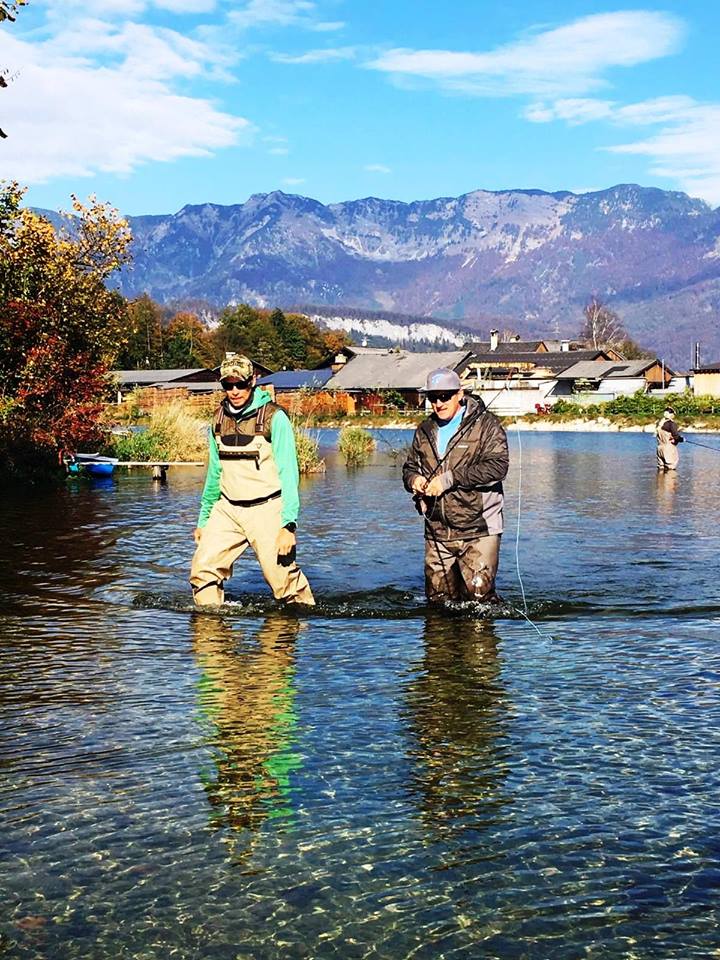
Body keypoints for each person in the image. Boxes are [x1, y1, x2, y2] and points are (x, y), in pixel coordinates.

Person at [190, 353, 315, 606]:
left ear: (253, 381)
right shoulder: (217, 420)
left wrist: (288, 525)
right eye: (228, 385)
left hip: (267, 508)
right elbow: (214, 474)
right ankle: (211, 637)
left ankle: (300, 629)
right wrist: (203, 520)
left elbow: (289, 474)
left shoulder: (275, 418)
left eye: (241, 384)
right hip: (227, 509)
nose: (235, 390)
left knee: (284, 583)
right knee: (202, 570)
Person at [402, 368, 509, 604]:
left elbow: (498, 467)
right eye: (433, 397)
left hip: (479, 528)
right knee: (438, 602)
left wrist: (449, 479)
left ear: (459, 394)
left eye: (445, 396)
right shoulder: (424, 429)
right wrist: (414, 482)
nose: (438, 403)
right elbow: (410, 467)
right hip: (437, 530)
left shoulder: (486, 425)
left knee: (478, 600)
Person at [656, 406, 684, 471]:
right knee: (671, 469)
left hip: (659, 448)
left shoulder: (659, 423)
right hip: (668, 449)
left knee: (661, 469)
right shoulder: (671, 424)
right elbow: (676, 437)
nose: (674, 416)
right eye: (674, 414)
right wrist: (682, 439)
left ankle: (660, 481)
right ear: (671, 414)